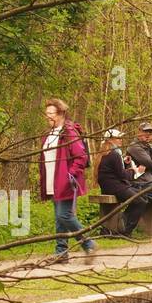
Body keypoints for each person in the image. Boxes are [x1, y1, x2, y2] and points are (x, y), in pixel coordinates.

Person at [38, 97, 96, 262]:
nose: (48, 117)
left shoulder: (69, 132)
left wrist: (70, 174)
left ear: (61, 114)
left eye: (51, 113)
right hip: (52, 182)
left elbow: (81, 157)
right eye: (47, 113)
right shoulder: (50, 134)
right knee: (59, 217)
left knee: (64, 215)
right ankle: (61, 253)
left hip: (66, 183)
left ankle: (89, 244)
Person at [95, 128, 148, 236]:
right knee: (140, 201)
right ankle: (125, 231)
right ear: (111, 140)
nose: (121, 140)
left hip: (111, 185)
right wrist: (134, 171)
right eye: (118, 138)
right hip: (114, 187)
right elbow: (122, 175)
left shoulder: (106, 152)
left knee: (144, 197)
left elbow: (116, 171)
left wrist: (125, 164)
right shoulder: (114, 154)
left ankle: (122, 223)